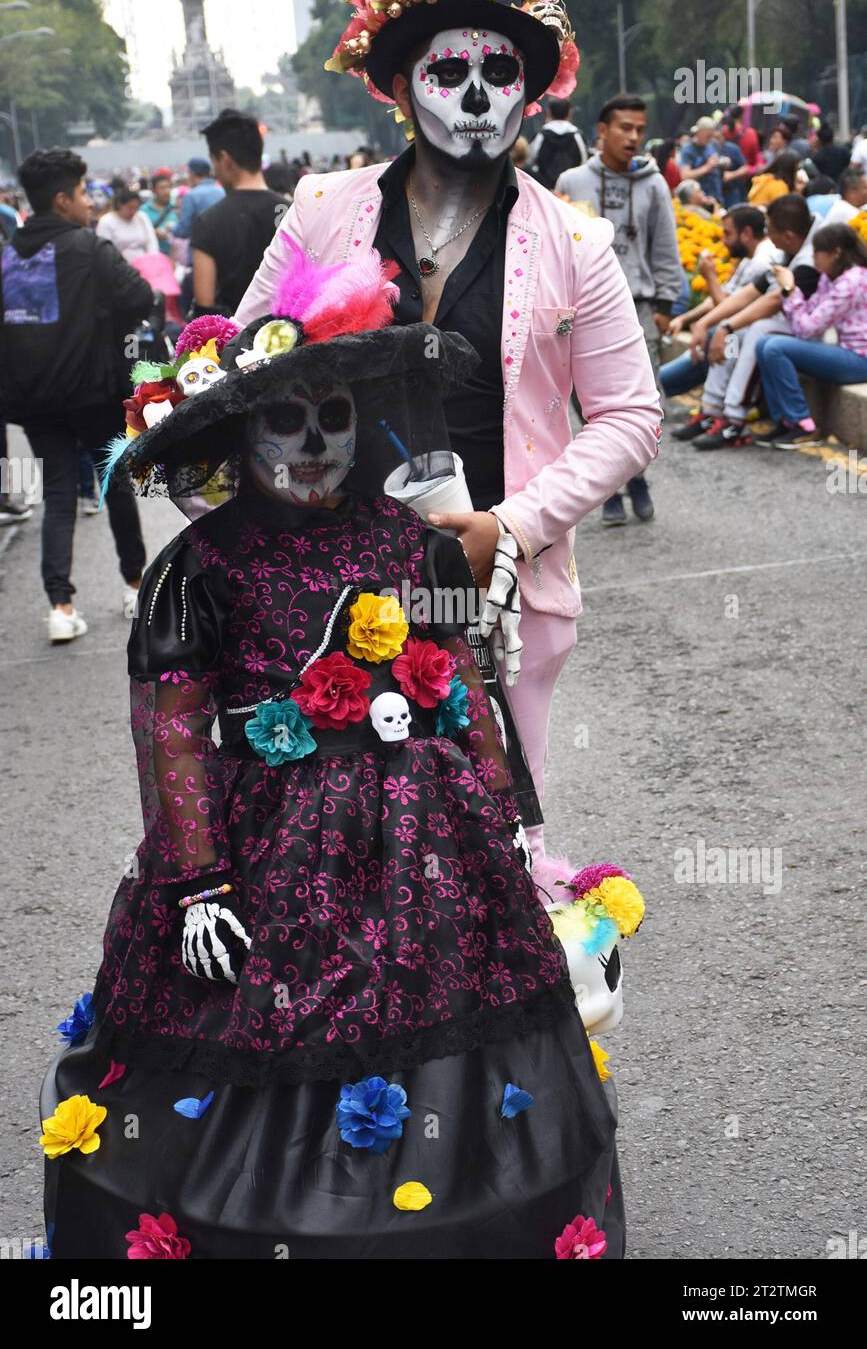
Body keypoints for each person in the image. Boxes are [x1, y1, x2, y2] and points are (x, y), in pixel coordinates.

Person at [39, 238, 643, 1260]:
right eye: (286, 419)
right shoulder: (200, 563)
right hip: (267, 839)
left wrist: (511, 821)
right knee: (271, 1029)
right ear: (243, 433)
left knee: (443, 1015)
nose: (314, 441)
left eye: (333, 416)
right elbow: (174, 726)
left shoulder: (419, 542)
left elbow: (466, 676)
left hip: (428, 830)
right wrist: (197, 882)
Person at [234, 0, 660, 900]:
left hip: (496, 592)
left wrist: (508, 525)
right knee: (331, 870)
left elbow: (631, 414)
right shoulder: (321, 210)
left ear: (531, 92)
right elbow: (240, 371)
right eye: (447, 71)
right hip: (323, 585)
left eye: (500, 73)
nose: (476, 96)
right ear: (396, 88)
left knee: (487, 861)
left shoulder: (574, 243)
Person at [0, 148, 152, 640]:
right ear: (63, 200)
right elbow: (140, 297)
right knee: (115, 485)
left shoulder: (6, 256)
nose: (90, 203)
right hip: (93, 392)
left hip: (33, 400)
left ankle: (61, 607)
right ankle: (134, 586)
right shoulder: (89, 249)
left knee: (60, 496)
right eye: (85, 193)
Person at [556, 93, 680, 525]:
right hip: (583, 308)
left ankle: (637, 476)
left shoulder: (654, 183)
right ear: (602, 132)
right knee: (587, 402)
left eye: (640, 130)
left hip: (640, 306)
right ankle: (609, 487)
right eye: (625, 128)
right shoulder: (572, 182)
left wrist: (665, 302)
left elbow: (665, 245)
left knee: (640, 401)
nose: (634, 137)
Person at [684, 194, 819, 450]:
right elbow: (754, 292)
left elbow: (773, 301)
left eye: (770, 230)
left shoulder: (809, 259)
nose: (767, 235)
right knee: (736, 334)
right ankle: (713, 408)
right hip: (785, 324)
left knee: (756, 328)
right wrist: (709, 324)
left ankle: (734, 417)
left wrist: (725, 326)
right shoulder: (788, 248)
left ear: (788, 235)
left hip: (808, 330)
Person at [661, 204, 778, 424]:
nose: (723, 240)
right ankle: (711, 408)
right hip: (728, 334)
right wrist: (685, 319)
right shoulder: (749, 259)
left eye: (727, 233)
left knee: (724, 336)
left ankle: (720, 412)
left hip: (743, 335)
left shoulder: (763, 260)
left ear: (747, 234)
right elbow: (725, 299)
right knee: (656, 381)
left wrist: (710, 277)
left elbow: (734, 308)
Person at [755, 223, 867, 447]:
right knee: (764, 343)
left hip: (860, 359)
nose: (813, 257)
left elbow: (806, 329)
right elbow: (808, 314)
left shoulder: (852, 282)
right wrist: (793, 295)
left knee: (775, 347)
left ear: (836, 253)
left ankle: (802, 424)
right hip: (847, 352)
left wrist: (789, 289)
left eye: (817, 251)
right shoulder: (831, 277)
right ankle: (786, 422)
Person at [190, 108, 286, 318]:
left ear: (224, 160)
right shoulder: (292, 211)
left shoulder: (207, 222)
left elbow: (204, 304)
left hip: (234, 343)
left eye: (214, 163)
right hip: (292, 339)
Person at [526, 96, 587, 189]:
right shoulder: (577, 135)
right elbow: (584, 162)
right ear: (570, 112)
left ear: (549, 112)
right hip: (572, 189)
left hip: (546, 190)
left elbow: (529, 160)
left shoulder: (541, 136)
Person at [95, 186, 158, 264]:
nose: (133, 212)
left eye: (136, 208)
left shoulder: (142, 217)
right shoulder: (106, 221)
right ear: (119, 205)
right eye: (130, 208)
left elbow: (151, 241)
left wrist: (153, 260)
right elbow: (104, 250)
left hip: (144, 264)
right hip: (119, 266)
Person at [174, 156, 224, 241]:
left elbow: (183, 231)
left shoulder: (191, 196)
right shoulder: (222, 191)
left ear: (192, 173)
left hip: (201, 249)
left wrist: (171, 228)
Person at [677, 116, 724, 205]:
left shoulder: (713, 144)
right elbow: (685, 175)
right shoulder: (688, 149)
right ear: (698, 133)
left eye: (711, 135)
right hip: (699, 201)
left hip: (716, 197)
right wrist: (707, 167)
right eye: (707, 136)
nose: (710, 138)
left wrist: (723, 163)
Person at [139, 171, 178, 256]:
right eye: (162, 188)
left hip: (174, 257)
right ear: (154, 191)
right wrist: (152, 233)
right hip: (154, 257)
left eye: (169, 187)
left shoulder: (176, 208)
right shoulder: (143, 211)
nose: (167, 191)